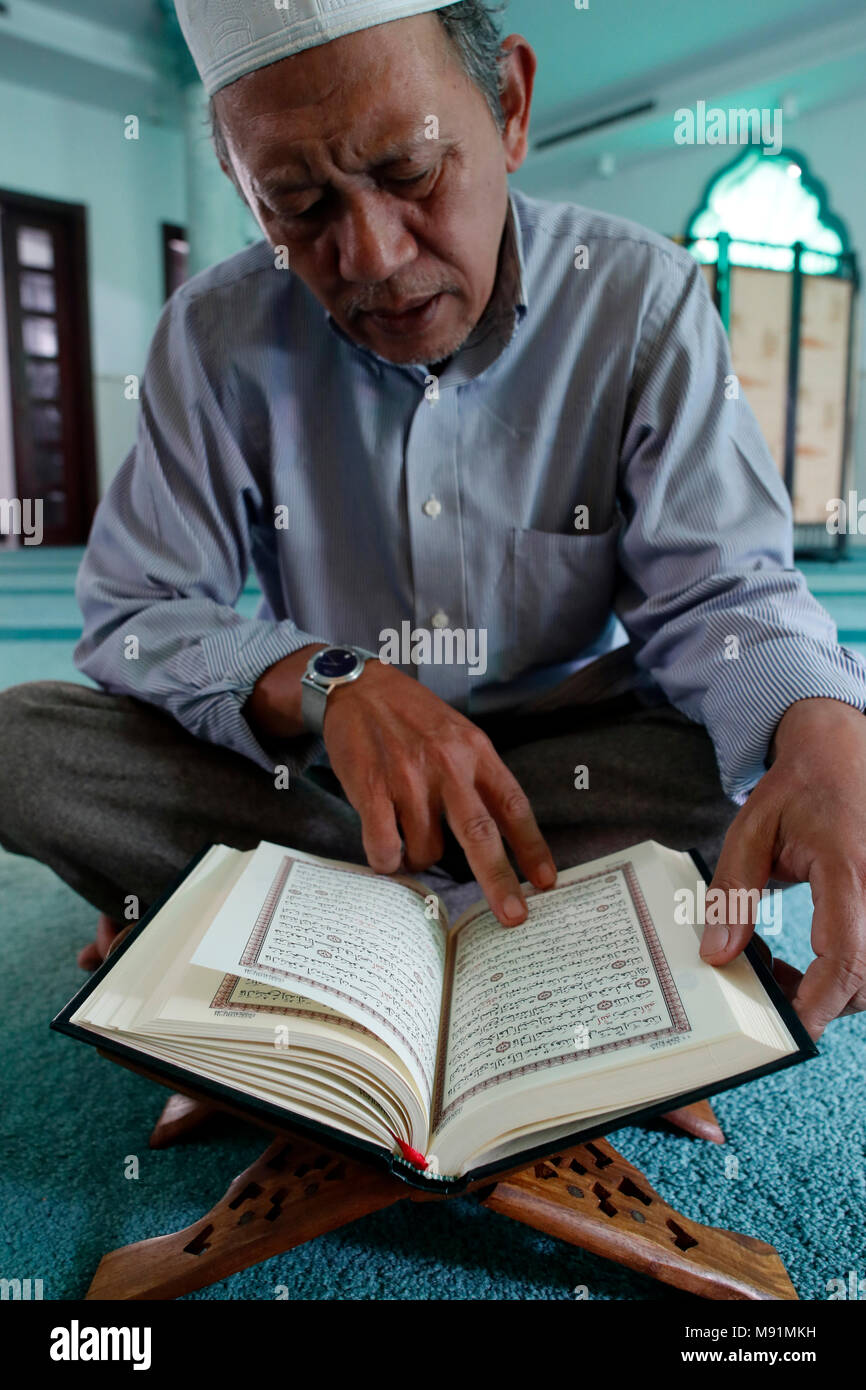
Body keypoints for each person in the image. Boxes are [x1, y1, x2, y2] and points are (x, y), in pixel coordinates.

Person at [1, 0, 865, 1044]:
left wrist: (822, 739)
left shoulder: (639, 297)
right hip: (333, 772)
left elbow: (722, 595)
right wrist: (329, 681)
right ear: (242, 189)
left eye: (408, 173)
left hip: (569, 768)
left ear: (507, 105)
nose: (365, 254)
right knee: (26, 748)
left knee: (760, 764)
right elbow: (137, 615)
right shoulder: (215, 334)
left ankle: (275, 916)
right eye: (296, 201)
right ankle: (558, 927)